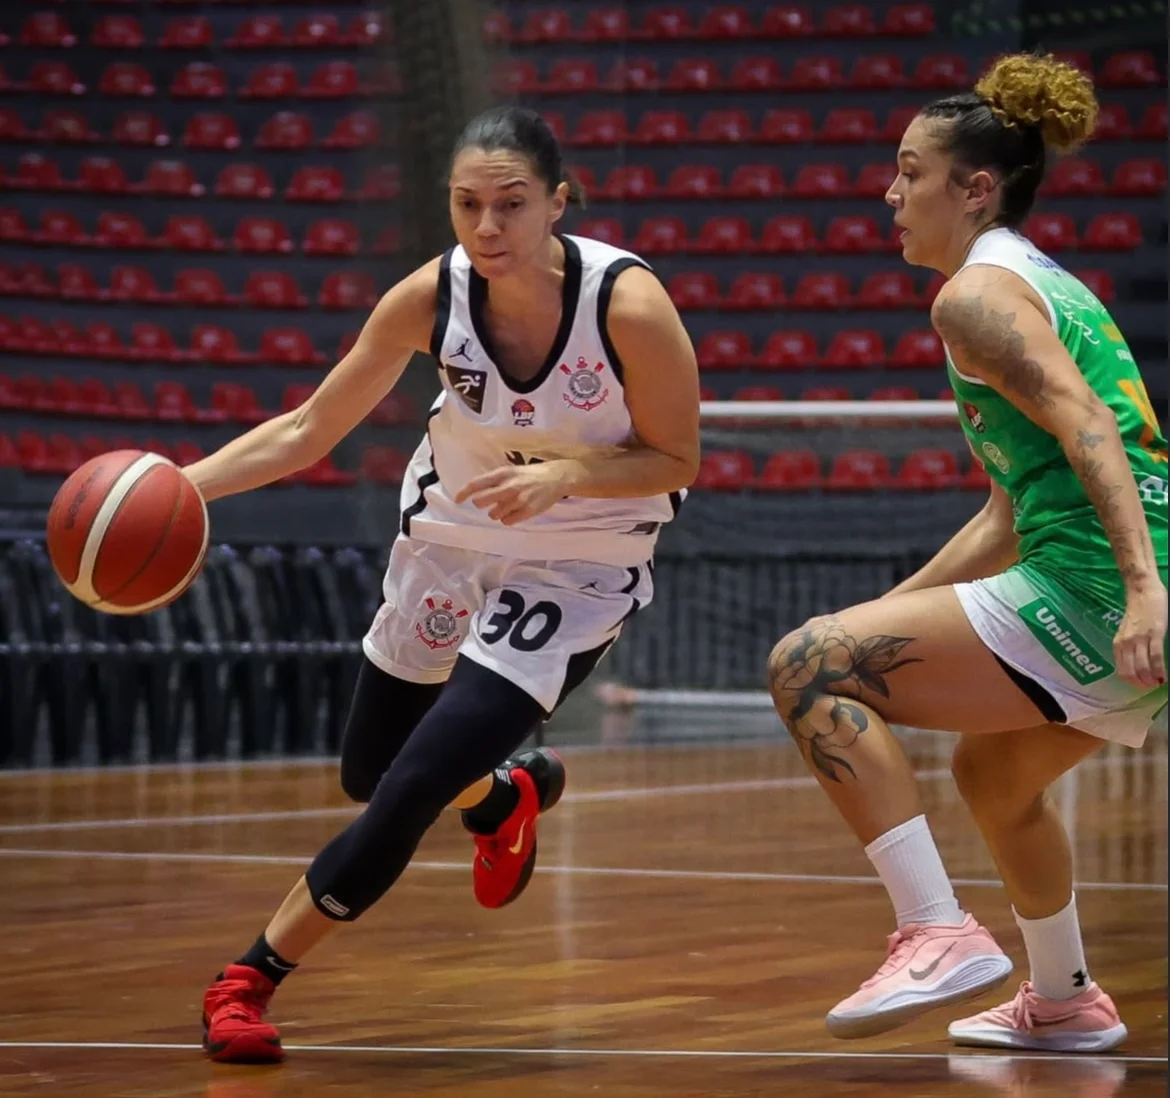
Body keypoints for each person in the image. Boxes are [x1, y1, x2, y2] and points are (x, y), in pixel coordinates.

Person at [186, 105, 700, 1063]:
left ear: (558, 200)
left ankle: (246, 979)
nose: (488, 227)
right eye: (467, 205)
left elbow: (677, 457)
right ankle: (503, 800)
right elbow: (308, 428)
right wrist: (179, 488)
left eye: (511, 204)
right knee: (367, 773)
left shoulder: (625, 304)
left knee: (409, 788)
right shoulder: (430, 296)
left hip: (578, 560)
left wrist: (567, 473)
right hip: (451, 540)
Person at [767, 52, 1167, 1052]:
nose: (889, 191)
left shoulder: (974, 299)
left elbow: (1090, 429)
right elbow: (1003, 515)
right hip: (1119, 568)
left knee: (803, 665)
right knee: (993, 779)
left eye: (910, 171)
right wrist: (877, 615)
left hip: (1105, 580)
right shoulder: (1032, 282)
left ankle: (936, 929)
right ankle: (1066, 998)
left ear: (975, 186)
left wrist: (1142, 589)